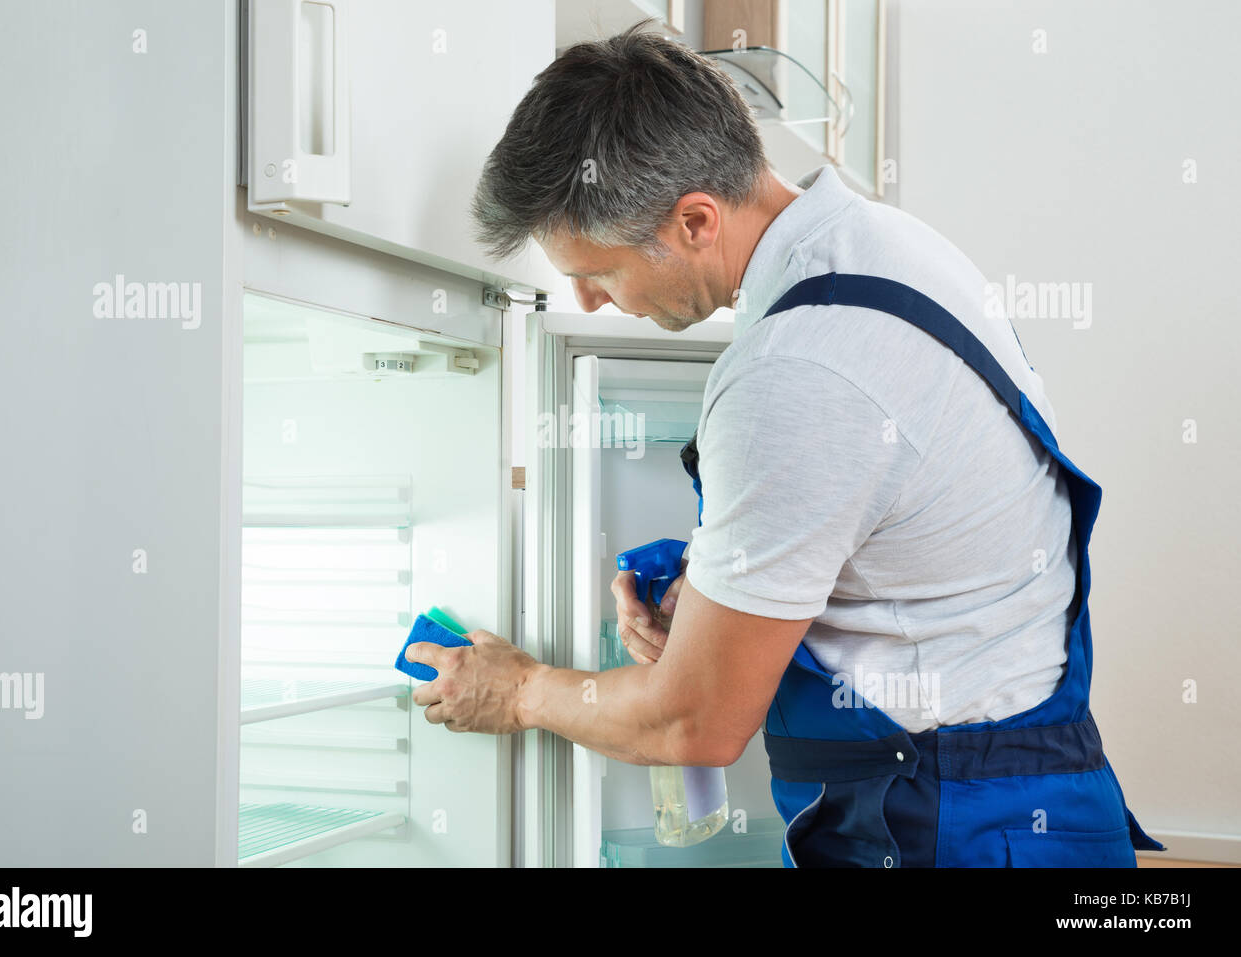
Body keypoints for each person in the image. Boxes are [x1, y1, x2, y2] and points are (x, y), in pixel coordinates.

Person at [405, 21, 1163, 867]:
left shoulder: (795, 370)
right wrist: (719, 580)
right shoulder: (883, 245)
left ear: (695, 219)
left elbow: (695, 721)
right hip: (1029, 804)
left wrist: (519, 692)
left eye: (601, 271)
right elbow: (885, 515)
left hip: (955, 830)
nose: (586, 303)